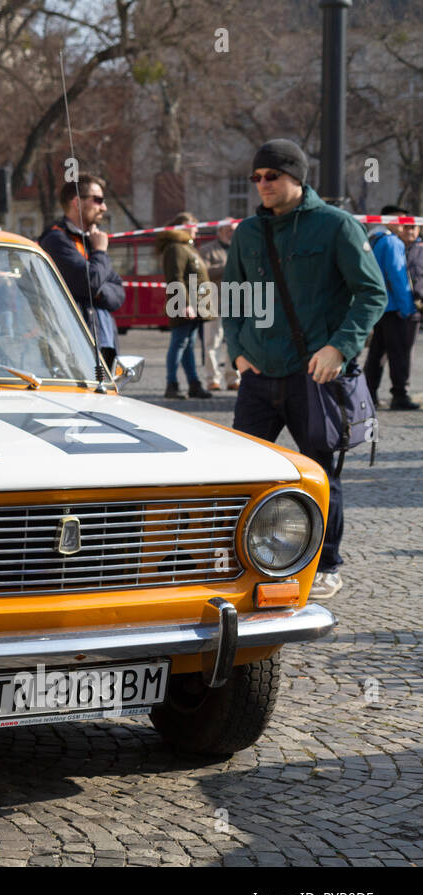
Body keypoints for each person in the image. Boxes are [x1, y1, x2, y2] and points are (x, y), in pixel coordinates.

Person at [222, 139, 387, 601]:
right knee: (239, 472)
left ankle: (327, 563)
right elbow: (232, 296)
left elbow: (372, 294)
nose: (262, 185)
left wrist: (340, 347)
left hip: (316, 376)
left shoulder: (337, 226)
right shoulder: (247, 232)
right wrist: (237, 351)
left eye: (271, 176)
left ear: (297, 177)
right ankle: (238, 559)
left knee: (319, 474)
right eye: (257, 178)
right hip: (258, 376)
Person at [38, 174, 124, 374]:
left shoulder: (91, 240)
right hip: (72, 346)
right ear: (77, 202)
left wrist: (98, 292)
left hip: (104, 342)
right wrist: (100, 253)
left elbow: (119, 293)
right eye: (98, 200)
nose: (104, 207)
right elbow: (91, 281)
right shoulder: (56, 240)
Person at [364, 205, 420, 410]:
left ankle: (368, 394)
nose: (404, 224)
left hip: (378, 307)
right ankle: (400, 395)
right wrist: (407, 309)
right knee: (399, 354)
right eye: (401, 220)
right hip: (395, 308)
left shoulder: (373, 239)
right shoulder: (392, 242)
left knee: (376, 355)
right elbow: (398, 276)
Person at [158, 213, 213, 399]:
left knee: (188, 345)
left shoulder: (186, 247)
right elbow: (176, 277)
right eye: (193, 225)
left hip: (195, 305)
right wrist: (184, 303)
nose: (197, 229)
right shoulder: (176, 248)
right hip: (184, 304)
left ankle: (193, 384)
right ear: (183, 226)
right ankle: (171, 384)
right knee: (179, 343)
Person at [197, 220, 241, 389]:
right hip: (212, 302)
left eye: (234, 230)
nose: (232, 233)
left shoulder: (239, 248)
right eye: (229, 230)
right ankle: (212, 379)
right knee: (211, 343)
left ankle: (233, 378)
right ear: (220, 230)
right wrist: (227, 267)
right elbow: (203, 273)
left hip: (235, 301)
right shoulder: (207, 250)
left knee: (233, 341)